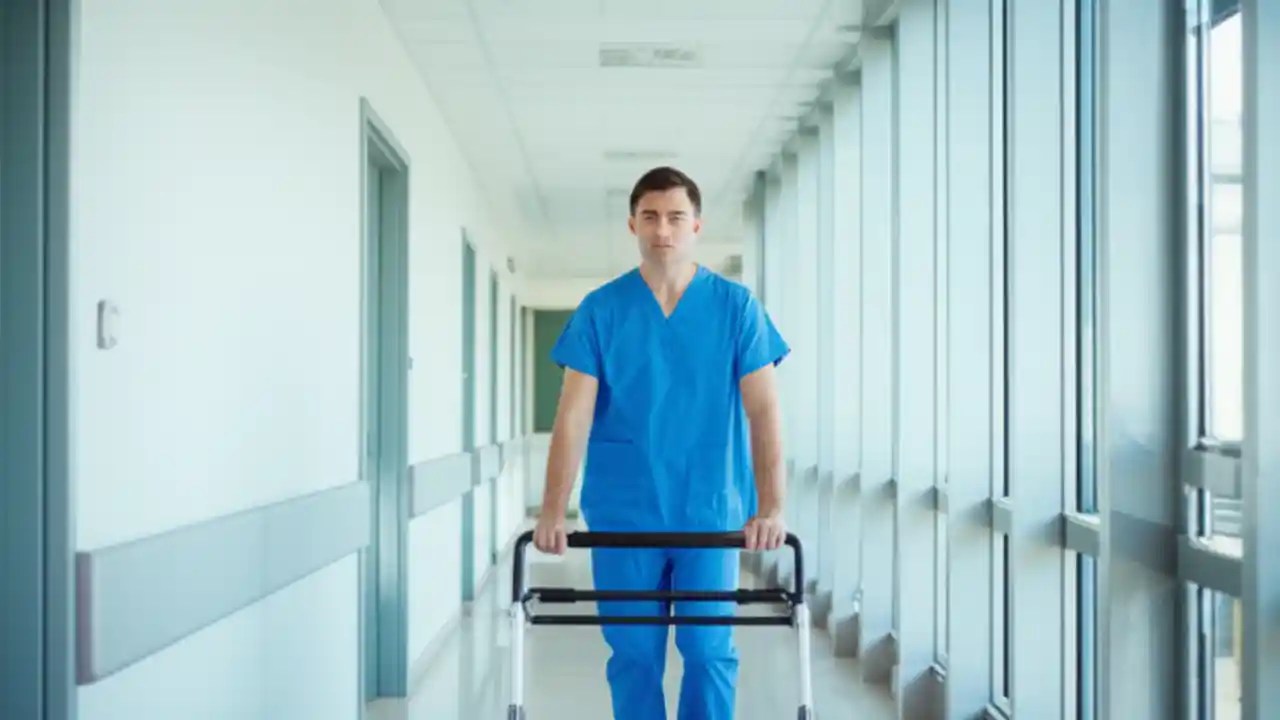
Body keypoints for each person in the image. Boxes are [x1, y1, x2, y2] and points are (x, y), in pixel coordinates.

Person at [532, 166, 790, 719]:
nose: (663, 230)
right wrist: (553, 508)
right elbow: (573, 415)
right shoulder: (602, 310)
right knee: (633, 655)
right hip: (625, 514)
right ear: (632, 224)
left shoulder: (736, 308)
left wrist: (772, 506)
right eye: (650, 216)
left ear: (697, 225)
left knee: (707, 650)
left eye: (675, 217)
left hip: (711, 513)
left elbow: (763, 409)